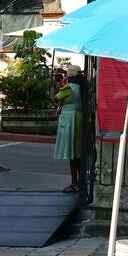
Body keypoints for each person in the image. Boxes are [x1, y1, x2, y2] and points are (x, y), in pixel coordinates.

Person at [52, 66, 85, 194]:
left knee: (71, 154)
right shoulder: (81, 88)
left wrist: (60, 85)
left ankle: (74, 183)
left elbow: (56, 98)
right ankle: (81, 182)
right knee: (78, 154)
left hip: (69, 119)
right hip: (79, 118)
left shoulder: (68, 88)